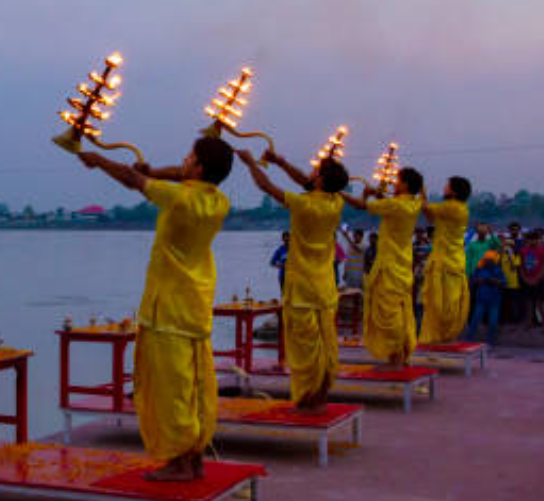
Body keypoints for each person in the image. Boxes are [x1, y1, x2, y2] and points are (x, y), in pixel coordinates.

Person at [78, 136, 234, 482]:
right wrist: (155, 171)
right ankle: (193, 456)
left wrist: (99, 160)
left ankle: (179, 461)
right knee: (192, 386)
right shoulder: (219, 201)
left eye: (189, 156)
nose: (183, 160)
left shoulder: (179, 198)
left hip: (168, 308)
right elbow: (176, 176)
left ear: (199, 167)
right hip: (195, 306)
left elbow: (134, 181)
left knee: (169, 388)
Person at [237, 148, 348, 414]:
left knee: (304, 347)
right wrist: (281, 161)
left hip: (302, 287)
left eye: (316, 171)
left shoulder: (305, 204)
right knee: (322, 344)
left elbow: (266, 186)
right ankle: (319, 393)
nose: (311, 173)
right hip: (325, 286)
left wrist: (251, 163)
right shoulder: (336, 202)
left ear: (321, 179)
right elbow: (306, 182)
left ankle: (310, 399)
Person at [341, 168, 424, 370]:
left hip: (389, 267)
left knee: (389, 313)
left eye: (397, 181)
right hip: (403, 265)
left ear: (405, 185)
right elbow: (383, 204)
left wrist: (337, 190)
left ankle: (396, 360)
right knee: (401, 312)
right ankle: (401, 357)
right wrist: (375, 195)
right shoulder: (415, 203)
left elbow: (361, 206)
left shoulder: (395, 204)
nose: (394, 184)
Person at [418, 177, 472, 344]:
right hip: (449, 260)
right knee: (444, 301)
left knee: (445, 303)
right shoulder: (456, 209)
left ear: (454, 192)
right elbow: (430, 216)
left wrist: (420, 192)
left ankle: (442, 336)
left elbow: (424, 207)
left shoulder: (452, 207)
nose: (444, 189)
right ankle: (442, 336)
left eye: (446, 186)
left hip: (447, 262)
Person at [464, 250, 505, 346]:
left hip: (494, 299)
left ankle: (491, 341)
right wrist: (478, 281)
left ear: (494, 260)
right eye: (487, 259)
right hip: (481, 298)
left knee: (493, 322)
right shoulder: (479, 269)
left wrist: (493, 280)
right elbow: (472, 281)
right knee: (475, 320)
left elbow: (503, 283)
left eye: (490, 260)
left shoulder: (498, 270)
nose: (488, 261)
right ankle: (468, 339)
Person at [519, 230, 544, 330]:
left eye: (535, 239)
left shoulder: (543, 250)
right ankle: (529, 323)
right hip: (527, 280)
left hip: (540, 281)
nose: (533, 242)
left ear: (538, 240)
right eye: (530, 239)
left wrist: (536, 279)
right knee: (529, 303)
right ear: (527, 240)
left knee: (540, 303)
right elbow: (521, 266)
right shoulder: (523, 250)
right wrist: (524, 278)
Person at [412, 227, 432, 330]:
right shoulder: (414, 245)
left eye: (421, 232)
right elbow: (413, 261)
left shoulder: (430, 245)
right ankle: (418, 331)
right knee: (418, 306)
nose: (419, 235)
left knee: (424, 306)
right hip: (418, 279)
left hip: (428, 278)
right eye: (417, 233)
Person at [499, 237, 522, 325]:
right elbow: (497, 263)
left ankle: (514, 320)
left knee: (514, 303)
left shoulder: (516, 256)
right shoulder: (502, 255)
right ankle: (505, 319)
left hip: (513, 283)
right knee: (504, 302)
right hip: (503, 282)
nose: (507, 247)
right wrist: (502, 251)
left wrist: (510, 255)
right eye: (506, 245)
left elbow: (513, 266)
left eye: (510, 245)